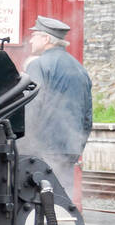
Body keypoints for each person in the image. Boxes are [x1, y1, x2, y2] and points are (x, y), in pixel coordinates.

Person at [19, 15, 92, 193]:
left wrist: (22, 146)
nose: (31, 40)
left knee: (41, 198)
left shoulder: (39, 65)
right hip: (70, 147)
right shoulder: (79, 68)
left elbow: (32, 107)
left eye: (35, 35)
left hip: (44, 147)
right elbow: (87, 116)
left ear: (46, 39)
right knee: (63, 197)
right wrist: (77, 145)